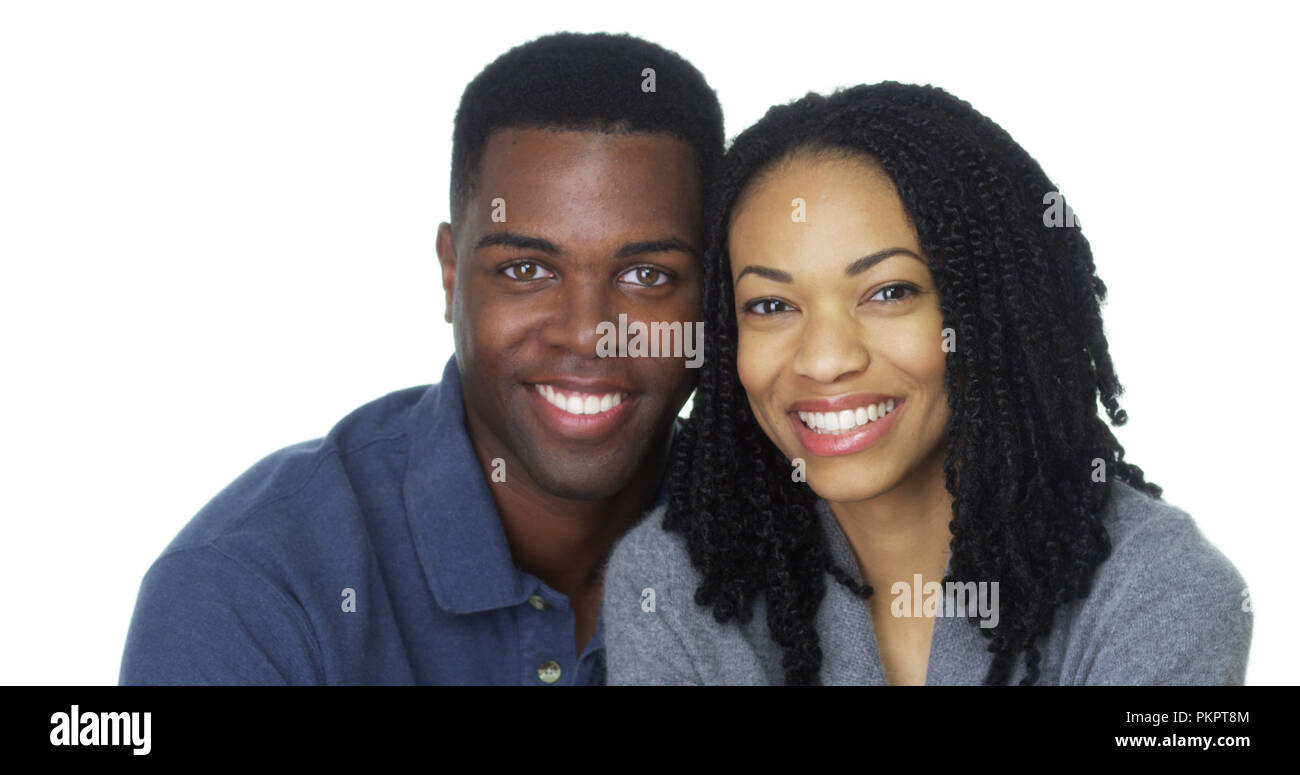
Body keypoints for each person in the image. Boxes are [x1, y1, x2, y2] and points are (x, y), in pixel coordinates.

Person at [119, 32, 724, 685]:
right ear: (450, 274)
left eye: (646, 276)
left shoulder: (804, 555)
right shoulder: (252, 586)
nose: (587, 333)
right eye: (525, 269)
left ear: (718, 293)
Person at [602, 82, 1252, 685]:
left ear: (989, 308)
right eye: (771, 305)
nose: (824, 361)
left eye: (889, 292)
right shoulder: (670, 581)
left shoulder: (1163, 586)